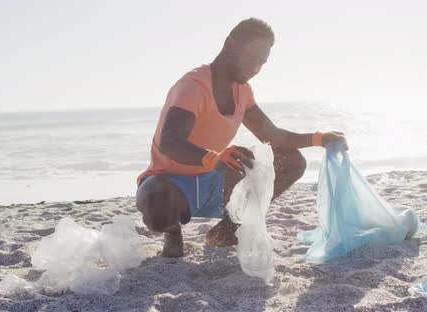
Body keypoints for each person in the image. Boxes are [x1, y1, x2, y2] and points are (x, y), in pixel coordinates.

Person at [136, 18, 347, 257]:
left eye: (262, 62)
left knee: (293, 161)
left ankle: (226, 231)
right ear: (230, 45)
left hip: (213, 181)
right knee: (158, 210)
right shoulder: (193, 86)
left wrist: (319, 138)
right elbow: (170, 142)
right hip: (170, 183)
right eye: (252, 57)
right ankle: (173, 233)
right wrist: (213, 159)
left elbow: (272, 135)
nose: (255, 68)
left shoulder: (242, 91)